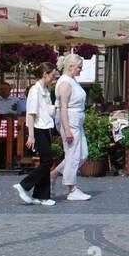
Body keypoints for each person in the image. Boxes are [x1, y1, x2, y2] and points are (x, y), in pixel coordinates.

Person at [13, 64, 58, 206]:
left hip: (44, 127)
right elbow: (31, 114)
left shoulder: (44, 89)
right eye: (52, 75)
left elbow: (46, 110)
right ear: (45, 74)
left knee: (47, 161)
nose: (54, 78)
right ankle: (24, 185)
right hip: (37, 129)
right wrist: (30, 135)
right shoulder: (35, 90)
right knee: (47, 162)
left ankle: (42, 196)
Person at [52, 53, 91, 200]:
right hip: (70, 119)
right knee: (73, 154)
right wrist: (67, 129)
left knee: (82, 154)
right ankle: (72, 188)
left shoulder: (71, 80)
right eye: (79, 67)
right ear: (71, 67)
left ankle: (54, 175)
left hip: (77, 119)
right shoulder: (65, 83)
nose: (81, 70)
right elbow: (63, 107)